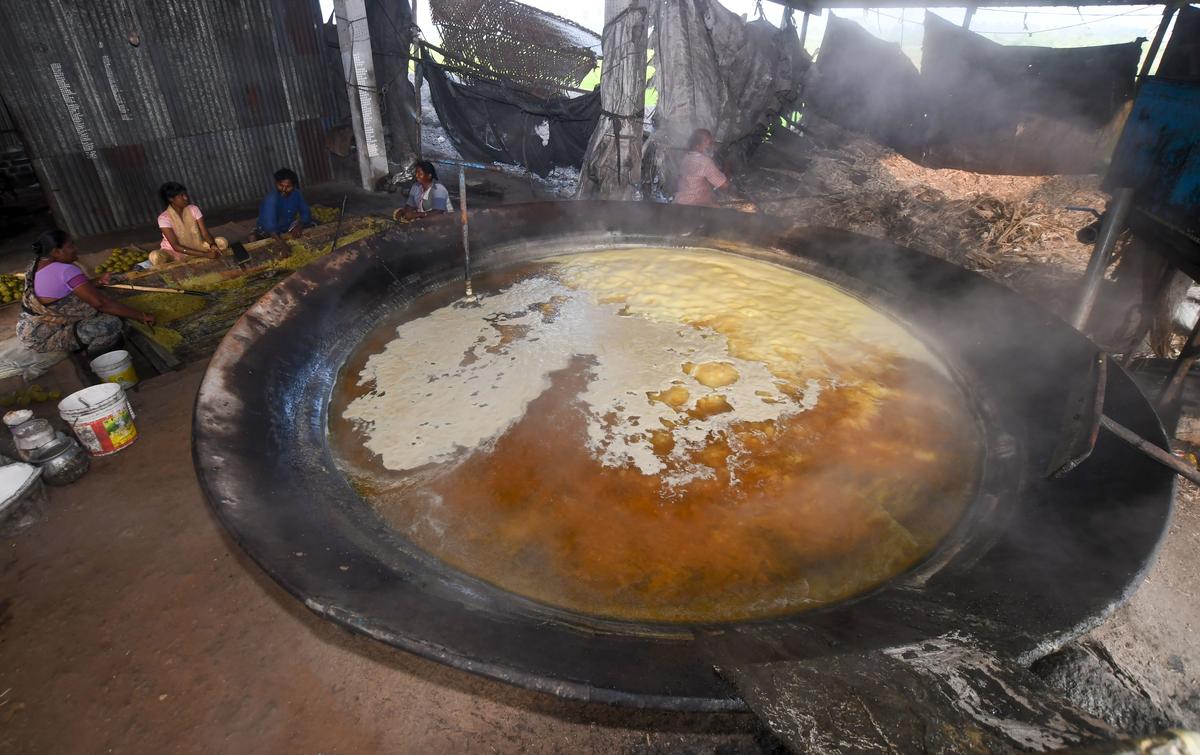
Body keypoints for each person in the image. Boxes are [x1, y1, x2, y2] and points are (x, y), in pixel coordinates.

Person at [16, 230, 154, 356]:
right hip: (45, 338)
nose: (76, 249)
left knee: (108, 306)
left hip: (29, 331)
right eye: (70, 246)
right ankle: (99, 357)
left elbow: (66, 288)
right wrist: (141, 315)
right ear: (56, 252)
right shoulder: (65, 270)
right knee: (111, 322)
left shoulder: (35, 264)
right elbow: (101, 304)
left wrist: (99, 281)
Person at [152, 182, 225, 266]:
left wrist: (212, 245)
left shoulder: (194, 209)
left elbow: (205, 233)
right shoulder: (163, 218)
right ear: (171, 199)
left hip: (196, 246)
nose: (186, 198)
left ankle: (201, 252)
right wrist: (205, 254)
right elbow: (175, 246)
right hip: (174, 252)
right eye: (182, 196)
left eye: (185, 194)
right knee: (155, 256)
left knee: (221, 242)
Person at [250, 168, 312, 242]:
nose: (284, 189)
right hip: (268, 230)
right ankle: (254, 234)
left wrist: (300, 225)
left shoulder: (297, 194)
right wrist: (282, 244)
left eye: (288, 187)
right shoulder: (271, 199)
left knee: (312, 224)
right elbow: (270, 226)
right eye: (280, 185)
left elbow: (305, 212)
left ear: (294, 186)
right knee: (265, 239)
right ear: (276, 183)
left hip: (287, 226)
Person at [674, 128, 730, 207]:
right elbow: (724, 185)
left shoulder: (685, 157)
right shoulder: (705, 162)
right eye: (709, 143)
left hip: (679, 202)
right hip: (695, 205)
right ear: (697, 145)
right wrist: (728, 166)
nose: (711, 146)